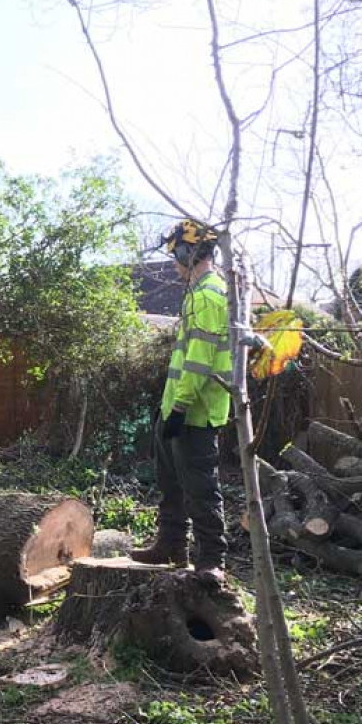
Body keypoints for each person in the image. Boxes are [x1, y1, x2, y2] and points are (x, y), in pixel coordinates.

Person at [130, 220, 232, 577]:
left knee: (200, 487)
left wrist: (182, 406)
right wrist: (169, 407)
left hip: (195, 411)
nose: (174, 263)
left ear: (190, 253)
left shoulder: (207, 296)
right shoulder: (197, 292)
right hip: (175, 404)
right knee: (170, 480)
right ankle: (172, 545)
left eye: (176, 255)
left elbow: (200, 359)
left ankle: (211, 560)